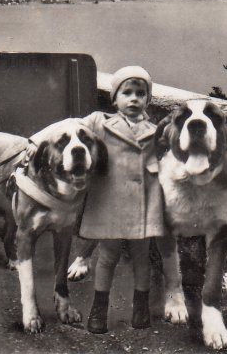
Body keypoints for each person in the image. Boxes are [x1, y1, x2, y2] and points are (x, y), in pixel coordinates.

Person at [28, 65, 165, 333]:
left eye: (140, 93)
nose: (134, 99)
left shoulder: (155, 130)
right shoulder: (99, 123)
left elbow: (168, 156)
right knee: (107, 256)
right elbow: (67, 126)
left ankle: (141, 309)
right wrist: (36, 141)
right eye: (127, 93)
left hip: (143, 204)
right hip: (110, 202)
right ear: (114, 98)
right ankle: (99, 310)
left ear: (148, 99)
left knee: (142, 257)